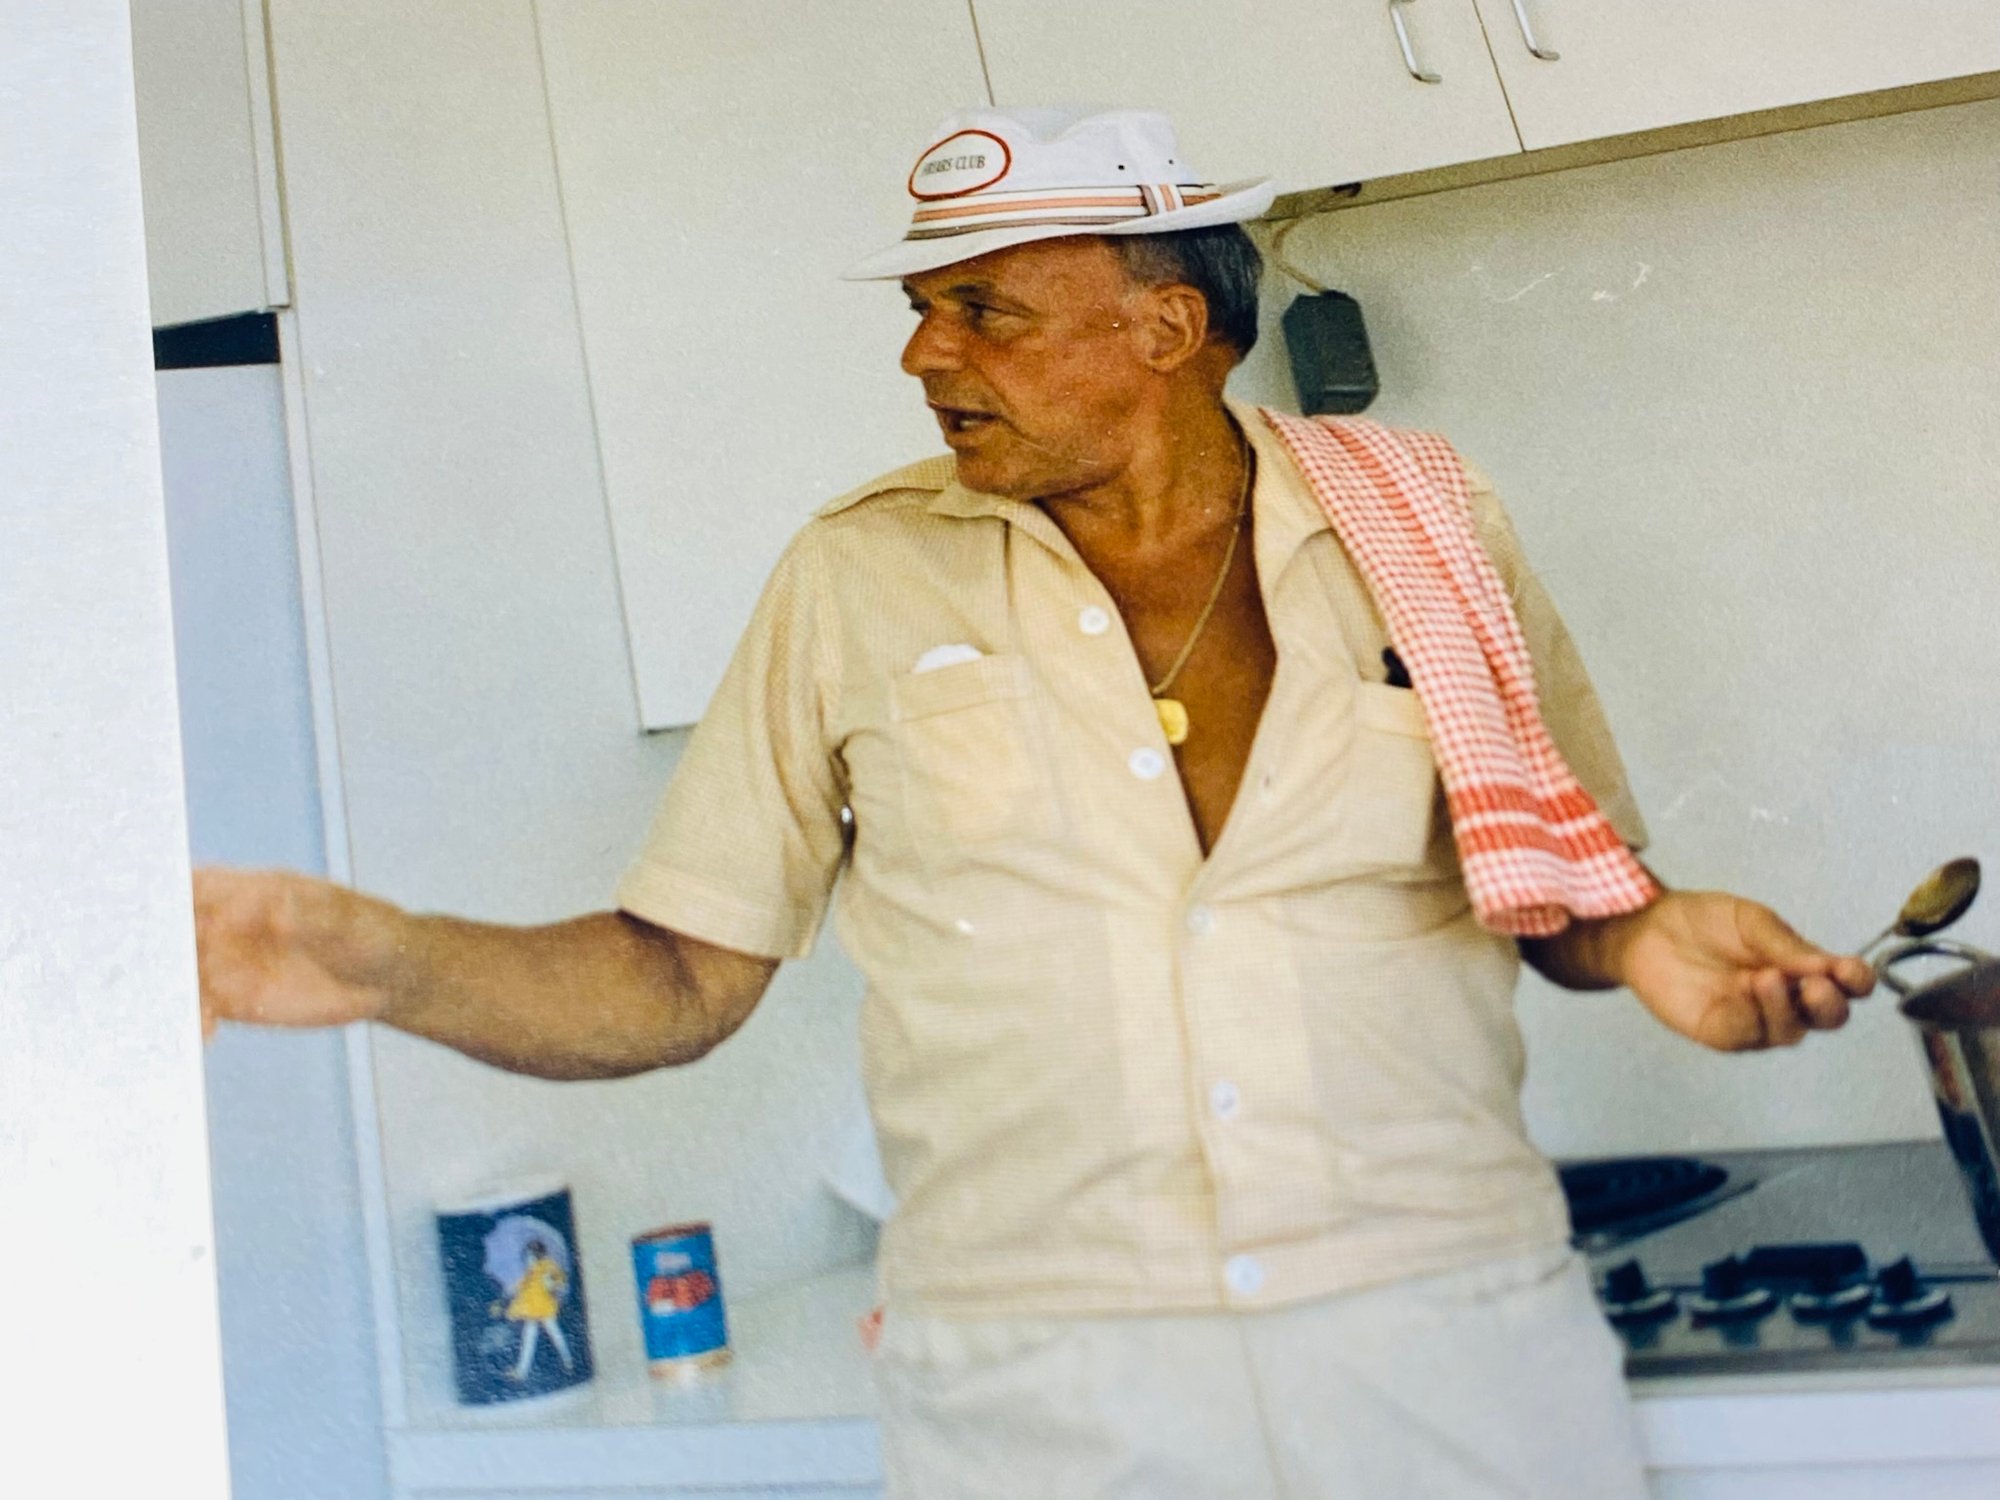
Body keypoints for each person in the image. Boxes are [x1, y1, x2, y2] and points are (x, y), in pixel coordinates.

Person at [197, 106, 1875, 1498]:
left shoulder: (1423, 528)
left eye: (983, 309)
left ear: (1163, 328)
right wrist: (372, 958)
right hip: (1042, 1395)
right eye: (924, 307)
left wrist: (1650, 940)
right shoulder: (852, 577)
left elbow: (1557, 884)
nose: (925, 352)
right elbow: (678, 972)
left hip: (1447, 1347)